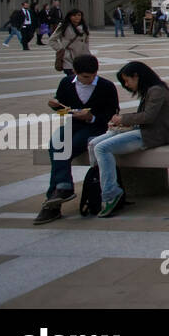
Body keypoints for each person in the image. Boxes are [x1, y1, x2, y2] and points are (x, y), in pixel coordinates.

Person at [87, 61, 169, 218]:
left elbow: (148, 117)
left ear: (137, 76)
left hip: (154, 134)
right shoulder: (149, 90)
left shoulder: (157, 91)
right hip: (144, 130)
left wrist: (122, 119)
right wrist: (122, 122)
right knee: (93, 143)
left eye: (127, 80)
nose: (126, 84)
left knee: (102, 148)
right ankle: (99, 181)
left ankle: (111, 193)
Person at [34, 53, 120, 223]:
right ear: (75, 72)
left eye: (93, 76)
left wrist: (92, 117)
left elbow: (112, 113)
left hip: (95, 126)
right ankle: (61, 189)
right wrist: (56, 107)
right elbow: (63, 109)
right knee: (56, 144)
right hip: (74, 123)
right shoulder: (66, 83)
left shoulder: (106, 86)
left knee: (69, 147)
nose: (89, 79)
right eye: (85, 77)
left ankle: (57, 195)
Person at [49, 9, 91, 80]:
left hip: (83, 58)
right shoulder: (64, 26)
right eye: (74, 15)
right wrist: (61, 49)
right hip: (69, 58)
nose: (77, 17)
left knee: (83, 81)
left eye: (79, 15)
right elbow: (52, 40)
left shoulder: (84, 27)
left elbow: (86, 42)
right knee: (72, 80)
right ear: (69, 16)